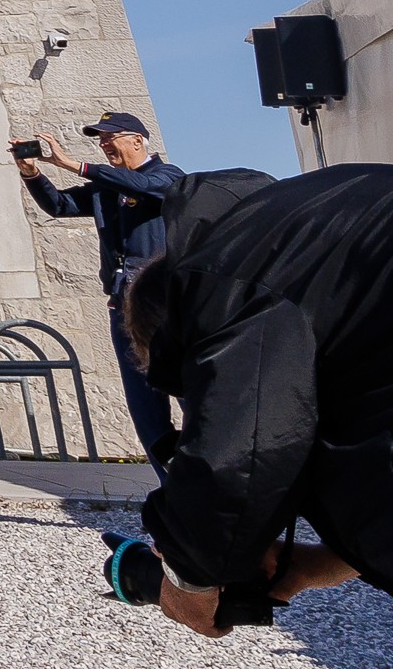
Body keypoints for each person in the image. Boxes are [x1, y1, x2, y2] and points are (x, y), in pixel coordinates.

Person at [123, 163, 393, 638]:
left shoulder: (226, 290)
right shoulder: (296, 238)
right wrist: (322, 564)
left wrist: (189, 579)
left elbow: (244, 455)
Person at [19, 108, 188, 464]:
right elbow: (61, 205)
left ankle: (208, 476)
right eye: (101, 141)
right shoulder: (106, 188)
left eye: (111, 138)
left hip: (164, 308)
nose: (105, 145)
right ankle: (169, 489)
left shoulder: (168, 176)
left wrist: (73, 165)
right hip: (124, 307)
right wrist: (33, 174)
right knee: (143, 401)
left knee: (188, 388)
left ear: (137, 140)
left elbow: (141, 186)